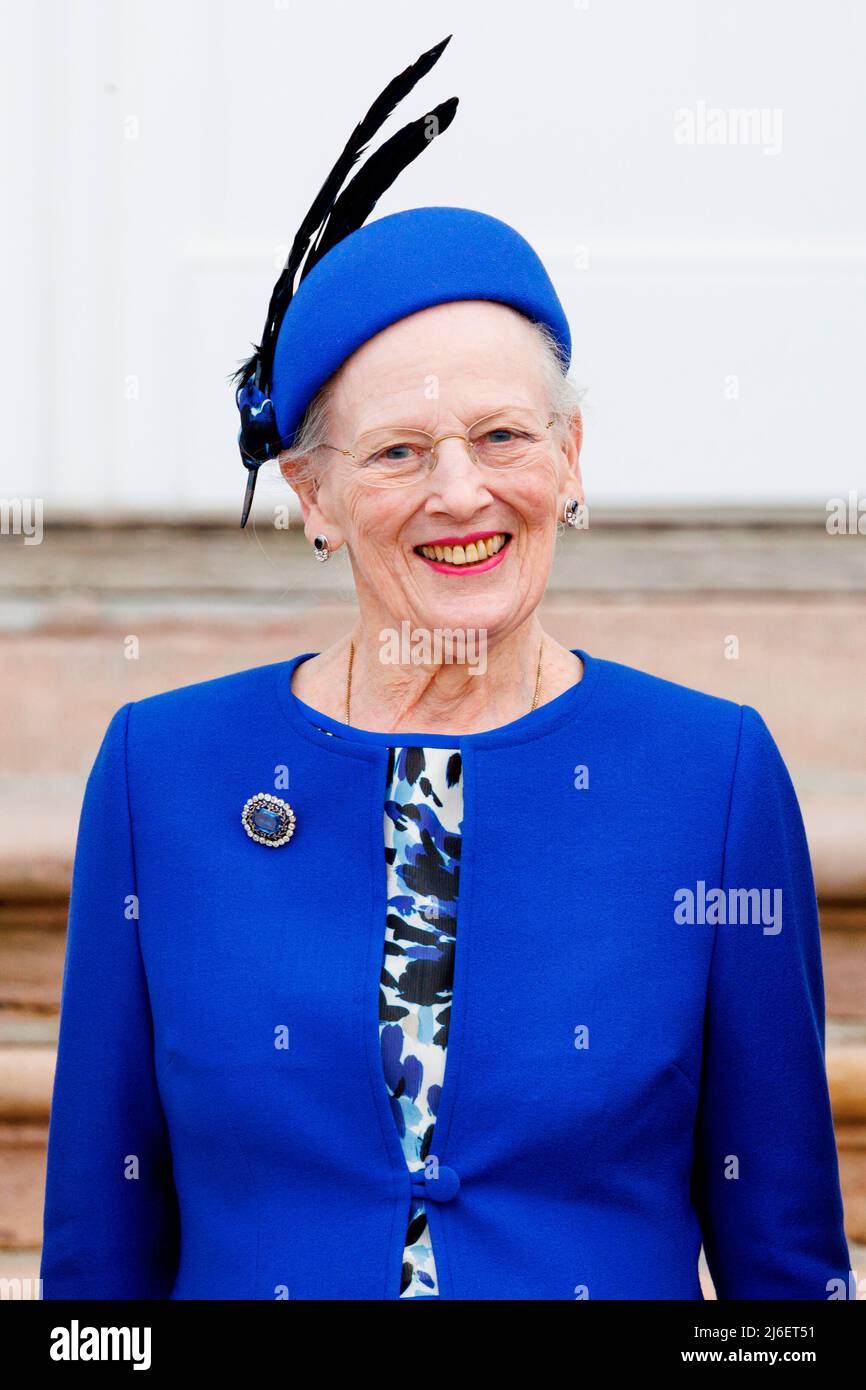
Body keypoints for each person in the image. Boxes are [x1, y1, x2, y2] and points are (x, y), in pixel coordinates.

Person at [40, 35, 851, 1301]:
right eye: (399, 452)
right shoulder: (162, 776)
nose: (460, 491)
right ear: (310, 495)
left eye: (501, 435)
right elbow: (98, 1276)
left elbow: (782, 1279)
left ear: (570, 459)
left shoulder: (710, 777)